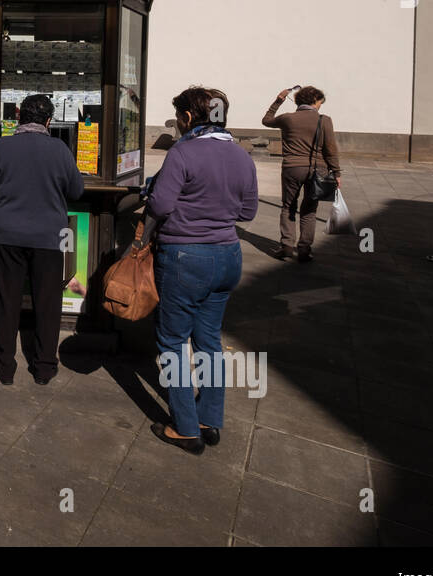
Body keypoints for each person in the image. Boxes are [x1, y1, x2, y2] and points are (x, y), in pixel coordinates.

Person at [145, 86, 258, 454]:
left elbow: (161, 206)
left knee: (174, 343)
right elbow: (248, 212)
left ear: (189, 117)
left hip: (185, 258)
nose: (177, 124)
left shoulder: (183, 152)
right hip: (228, 256)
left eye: (179, 116)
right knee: (209, 341)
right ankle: (209, 418)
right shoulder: (241, 156)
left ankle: (186, 427)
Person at [0, 93, 84, 386]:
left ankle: (4, 366)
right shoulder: (60, 150)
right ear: (49, 120)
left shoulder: (2, 146)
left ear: (18, 117)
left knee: (7, 300)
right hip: (48, 237)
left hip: (6, 235)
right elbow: (76, 191)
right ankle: (45, 367)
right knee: (48, 303)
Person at [262, 85, 341, 263]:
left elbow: (266, 120)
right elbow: (331, 149)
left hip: (292, 167)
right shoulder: (324, 120)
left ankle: (287, 246)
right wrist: (336, 172)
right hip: (318, 169)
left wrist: (278, 100)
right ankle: (304, 249)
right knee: (310, 210)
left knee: (288, 206)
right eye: (320, 101)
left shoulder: (288, 118)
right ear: (314, 101)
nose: (320, 105)